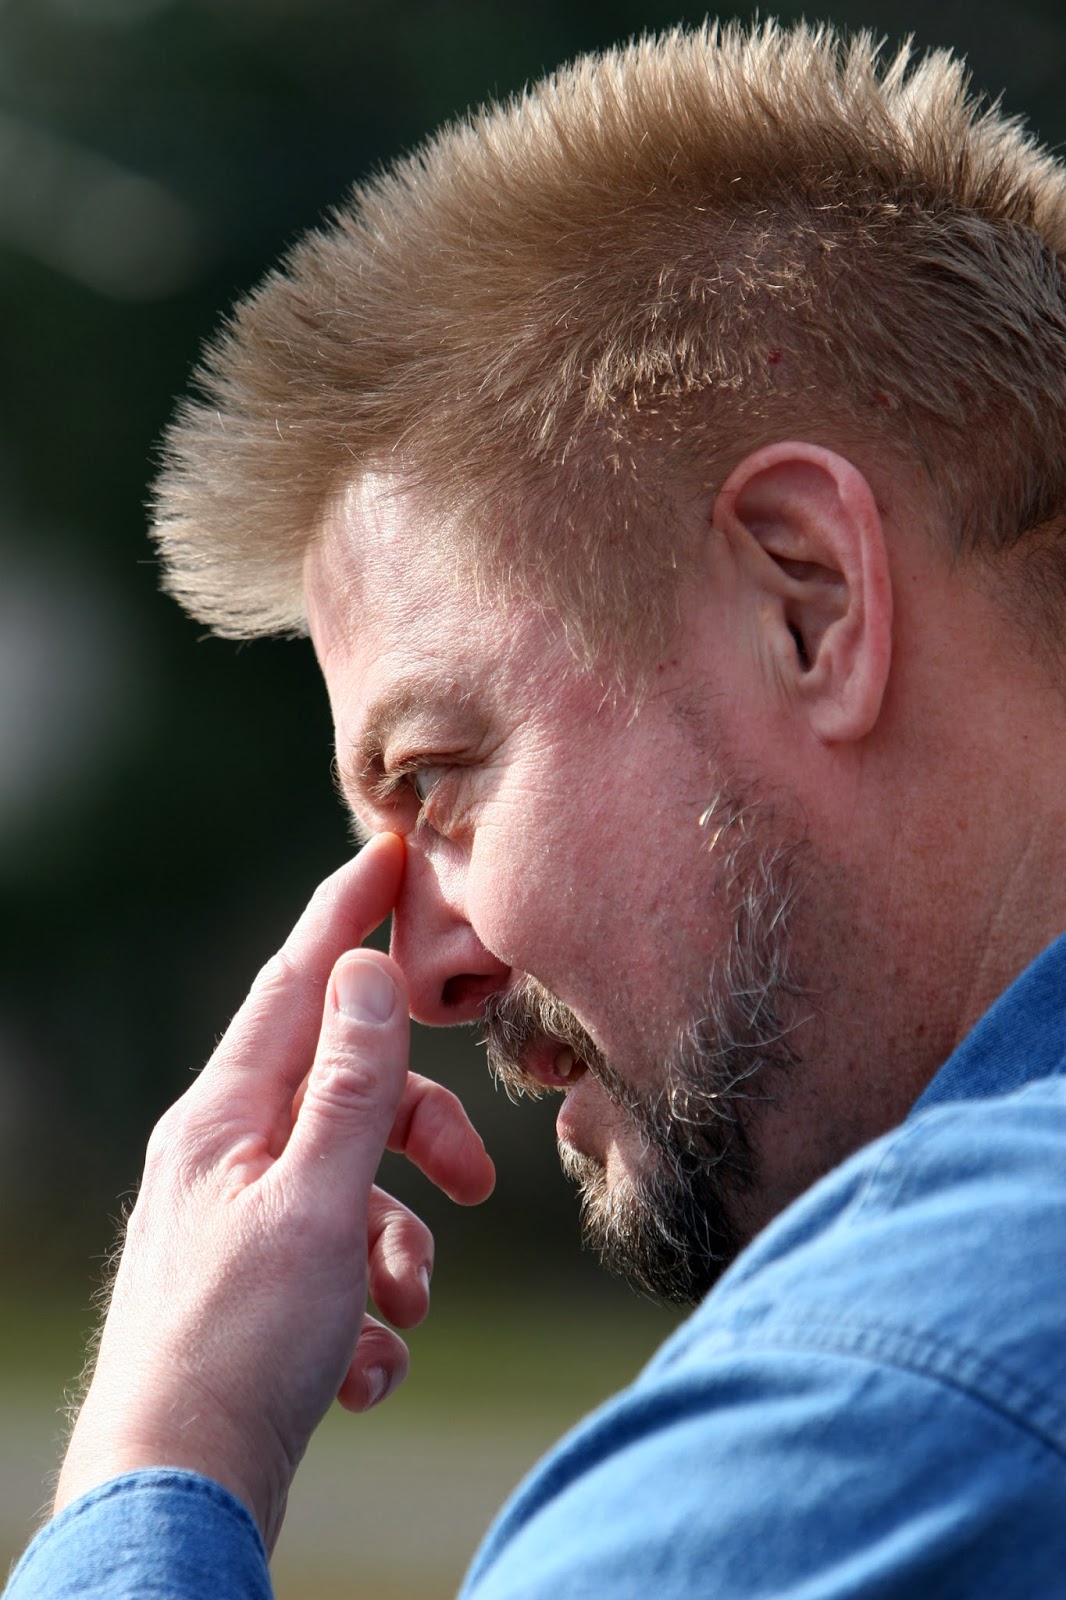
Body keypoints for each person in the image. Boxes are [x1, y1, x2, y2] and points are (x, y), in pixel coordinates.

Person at [8, 18, 1066, 1596]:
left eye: (436, 778)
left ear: (808, 602)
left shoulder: (892, 1404)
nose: (416, 960)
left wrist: (165, 1451)